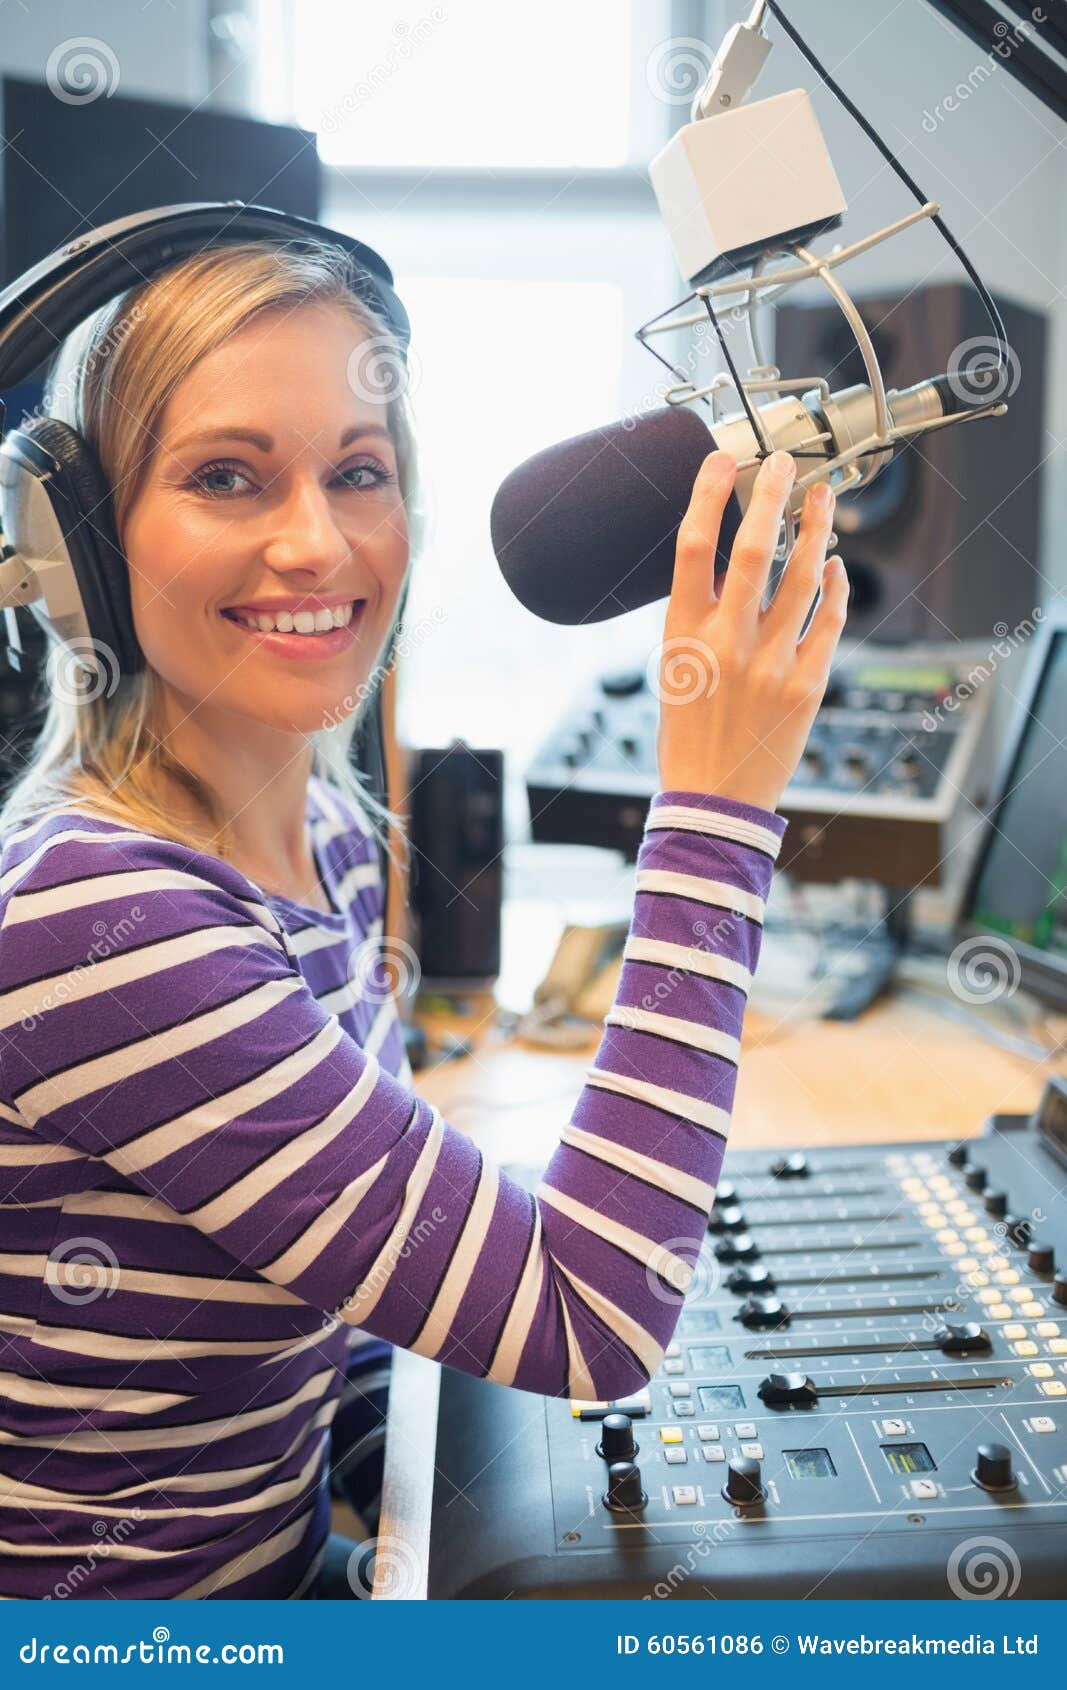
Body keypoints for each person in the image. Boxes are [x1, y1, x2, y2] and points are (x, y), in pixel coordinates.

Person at [0, 238, 845, 1599]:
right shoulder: (98, 916)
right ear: (77, 545)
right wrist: (718, 807)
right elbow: (595, 1314)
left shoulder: (327, 838)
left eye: (358, 472)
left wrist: (429, 1530)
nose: (316, 542)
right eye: (228, 476)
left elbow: (332, 1301)